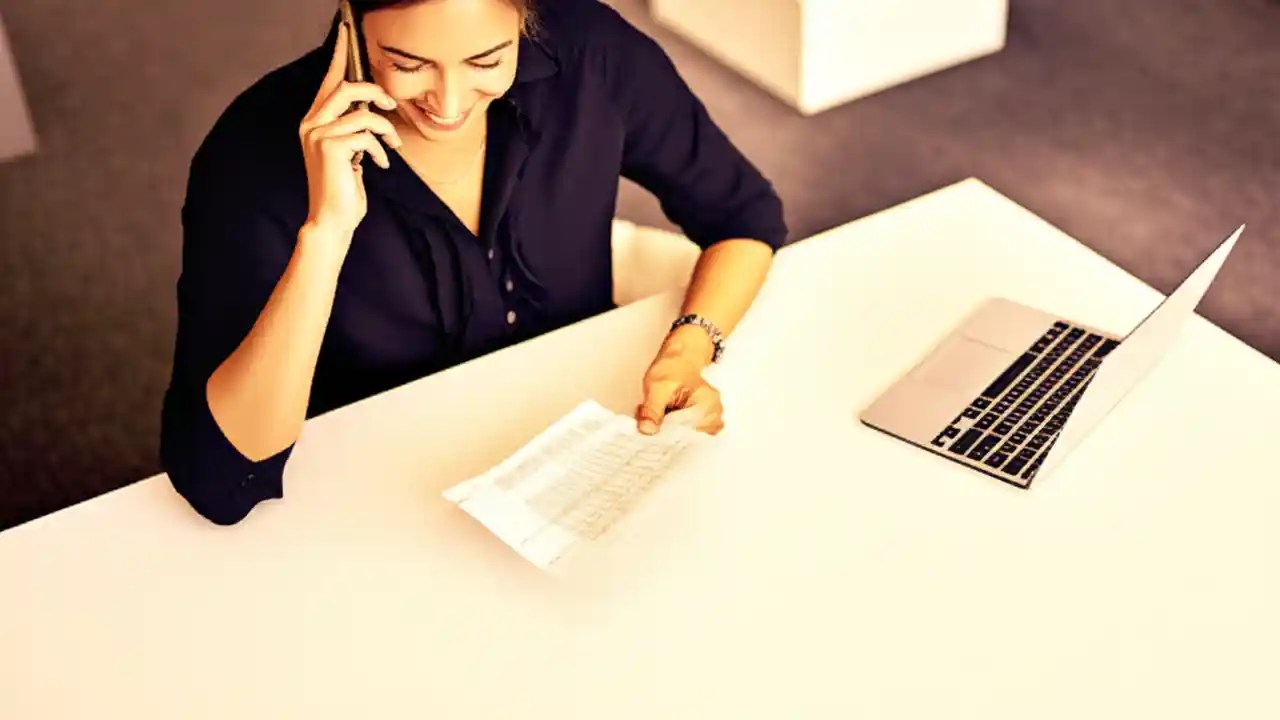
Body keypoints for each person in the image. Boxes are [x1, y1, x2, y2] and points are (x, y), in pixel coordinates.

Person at [160, 0, 789, 526]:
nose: (451, 102)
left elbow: (743, 216)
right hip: (375, 513)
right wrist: (324, 234)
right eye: (407, 64)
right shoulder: (250, 156)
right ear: (350, 26)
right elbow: (223, 482)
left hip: (581, 474)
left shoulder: (591, 55)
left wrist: (689, 349)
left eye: (488, 60)